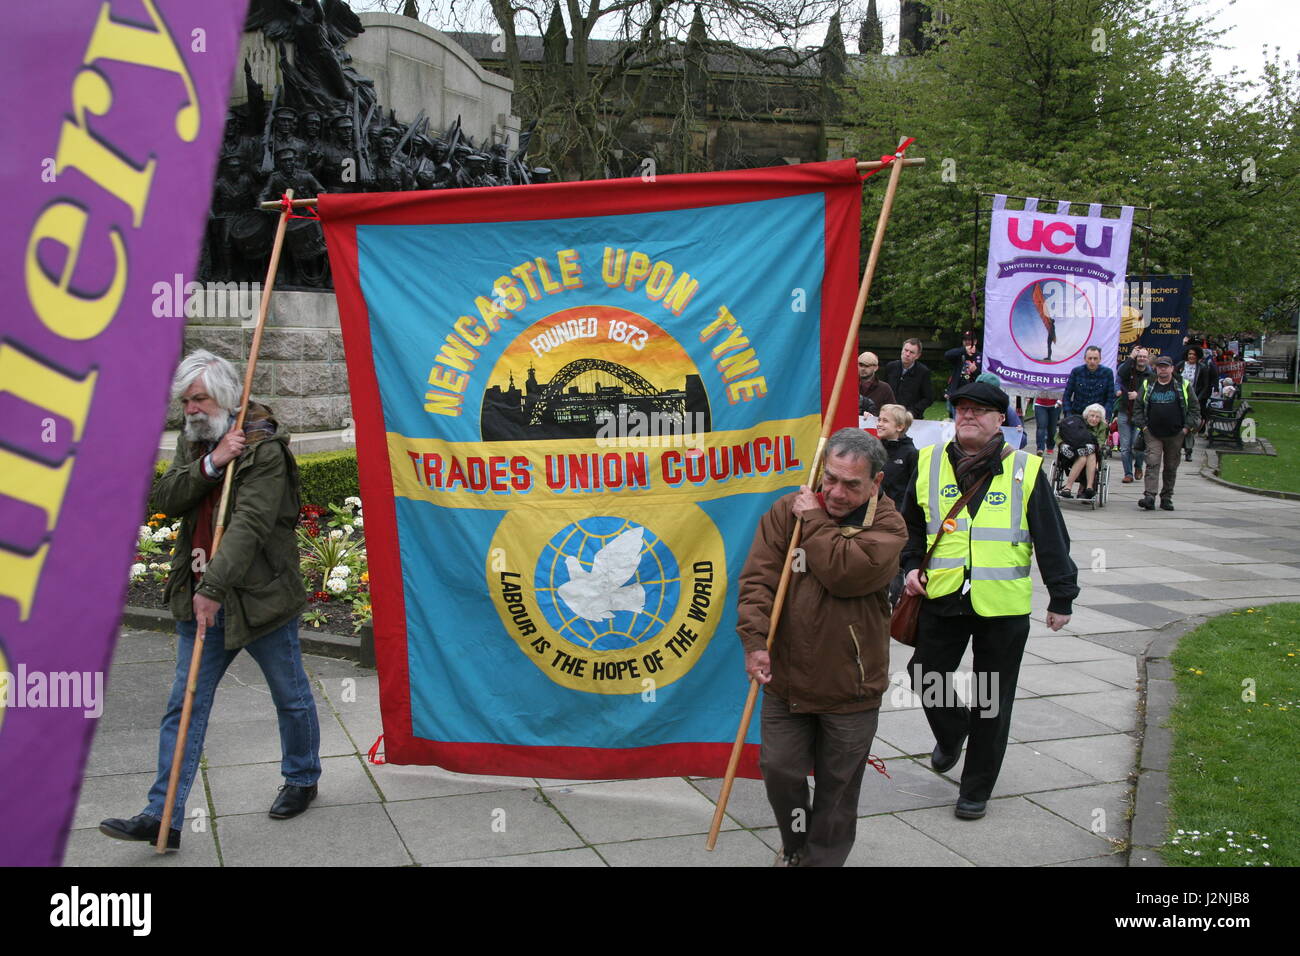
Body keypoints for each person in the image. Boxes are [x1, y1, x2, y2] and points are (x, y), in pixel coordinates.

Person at [100, 351, 322, 851]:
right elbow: (167, 497)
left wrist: (214, 590)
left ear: (224, 396)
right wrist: (212, 461)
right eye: (185, 401)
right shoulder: (195, 439)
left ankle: (302, 777)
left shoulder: (265, 448)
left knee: (289, 694)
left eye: (199, 398)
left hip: (259, 598)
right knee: (184, 708)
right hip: (200, 593)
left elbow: (250, 527)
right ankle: (162, 817)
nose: (192, 409)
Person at [900, 381, 1078, 820]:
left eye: (980, 410)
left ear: (1002, 420)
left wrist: (1062, 595)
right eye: (961, 408)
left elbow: (1051, 537)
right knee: (924, 672)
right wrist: (907, 568)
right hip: (943, 595)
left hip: (1003, 605)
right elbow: (909, 527)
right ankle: (953, 729)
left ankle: (975, 789)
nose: (968, 416)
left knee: (992, 699)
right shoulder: (927, 462)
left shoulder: (1026, 469)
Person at [738, 428, 908, 866]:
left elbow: (843, 572)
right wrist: (755, 642)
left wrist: (812, 519)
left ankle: (822, 860)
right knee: (779, 772)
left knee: (838, 790)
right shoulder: (784, 512)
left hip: (850, 684)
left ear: (876, 483)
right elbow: (758, 581)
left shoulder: (888, 525)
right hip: (786, 678)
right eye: (829, 478)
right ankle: (796, 846)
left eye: (852, 484)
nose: (835, 492)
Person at [1133, 354, 1200, 512]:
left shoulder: (1182, 384)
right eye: (1159, 366)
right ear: (1155, 368)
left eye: (1165, 366)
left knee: (1171, 466)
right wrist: (1143, 427)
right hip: (1152, 433)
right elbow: (1137, 407)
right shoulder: (1148, 384)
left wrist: (1186, 428)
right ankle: (1149, 496)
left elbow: (1194, 408)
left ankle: (1166, 497)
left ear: (1172, 368)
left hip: (1176, 433)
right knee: (1152, 462)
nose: (1162, 369)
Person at [876, 405, 918, 607]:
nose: (879, 423)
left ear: (900, 427)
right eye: (879, 419)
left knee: (895, 561)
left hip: (899, 516)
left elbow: (915, 487)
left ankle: (896, 599)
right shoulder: (875, 449)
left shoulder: (910, 454)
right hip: (875, 516)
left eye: (885, 420)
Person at [1115, 347, 1155, 483]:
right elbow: (1120, 373)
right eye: (1139, 356)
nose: (1142, 359)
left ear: (1148, 359)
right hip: (1124, 411)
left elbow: (1152, 395)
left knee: (1137, 445)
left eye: (1144, 356)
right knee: (1125, 446)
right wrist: (1131, 357)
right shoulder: (1128, 370)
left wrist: (1139, 395)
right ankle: (1128, 473)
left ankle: (1138, 465)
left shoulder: (1151, 375)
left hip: (1140, 415)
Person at [1056, 404, 1108, 500]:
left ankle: (1088, 487)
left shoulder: (1102, 427)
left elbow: (1101, 442)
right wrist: (1062, 445)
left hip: (1091, 455)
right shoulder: (1077, 423)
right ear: (1087, 416)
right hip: (1071, 454)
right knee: (1083, 457)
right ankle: (1068, 488)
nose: (1094, 419)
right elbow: (1059, 436)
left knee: (1090, 454)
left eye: (1097, 417)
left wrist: (1093, 446)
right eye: (1092, 416)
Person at [1176, 346, 1214, 462]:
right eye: (1189, 354)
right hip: (1179, 401)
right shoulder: (1181, 365)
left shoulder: (1202, 368)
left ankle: (1188, 451)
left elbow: (1205, 386)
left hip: (1193, 401)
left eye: (1193, 354)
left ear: (1197, 356)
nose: (1191, 356)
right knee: (1177, 426)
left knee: (1189, 427)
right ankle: (1175, 450)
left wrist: (1197, 399)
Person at [883, 338, 934, 421]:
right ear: (901, 350)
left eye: (911, 352)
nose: (907, 354)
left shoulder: (923, 372)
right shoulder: (890, 367)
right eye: (906, 350)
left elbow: (928, 398)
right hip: (889, 415)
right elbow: (884, 390)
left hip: (911, 418)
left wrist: (912, 412)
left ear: (917, 356)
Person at [1062, 346, 1116, 419]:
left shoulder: (1107, 373)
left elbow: (1110, 398)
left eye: (1095, 358)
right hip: (1078, 416)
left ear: (1100, 359)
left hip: (1098, 418)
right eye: (1090, 358)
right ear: (1085, 359)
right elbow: (1066, 396)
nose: (1092, 361)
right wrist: (1068, 415)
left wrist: (1106, 417)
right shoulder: (1076, 372)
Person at [975, 372, 1026, 448]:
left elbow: (1022, 441)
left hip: (999, 455)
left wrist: (1017, 434)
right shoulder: (967, 409)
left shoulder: (1006, 410)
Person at [943, 332, 982, 416]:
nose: (967, 342)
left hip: (972, 395)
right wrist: (964, 350)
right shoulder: (959, 354)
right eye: (965, 340)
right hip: (956, 393)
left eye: (969, 340)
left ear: (975, 341)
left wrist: (975, 370)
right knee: (954, 422)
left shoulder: (980, 356)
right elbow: (947, 355)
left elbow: (984, 377)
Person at [857, 350, 896, 416]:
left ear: (875, 368)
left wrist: (874, 416)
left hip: (876, 425)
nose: (863, 368)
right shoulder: (849, 386)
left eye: (867, 366)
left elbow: (893, 413)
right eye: (861, 365)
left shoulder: (885, 388)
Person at [1031, 390, 1062, 457]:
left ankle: (1050, 446)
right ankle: (1040, 448)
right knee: (1041, 426)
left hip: (1055, 405)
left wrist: (1060, 400)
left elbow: (1063, 386)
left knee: (1052, 429)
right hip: (1040, 404)